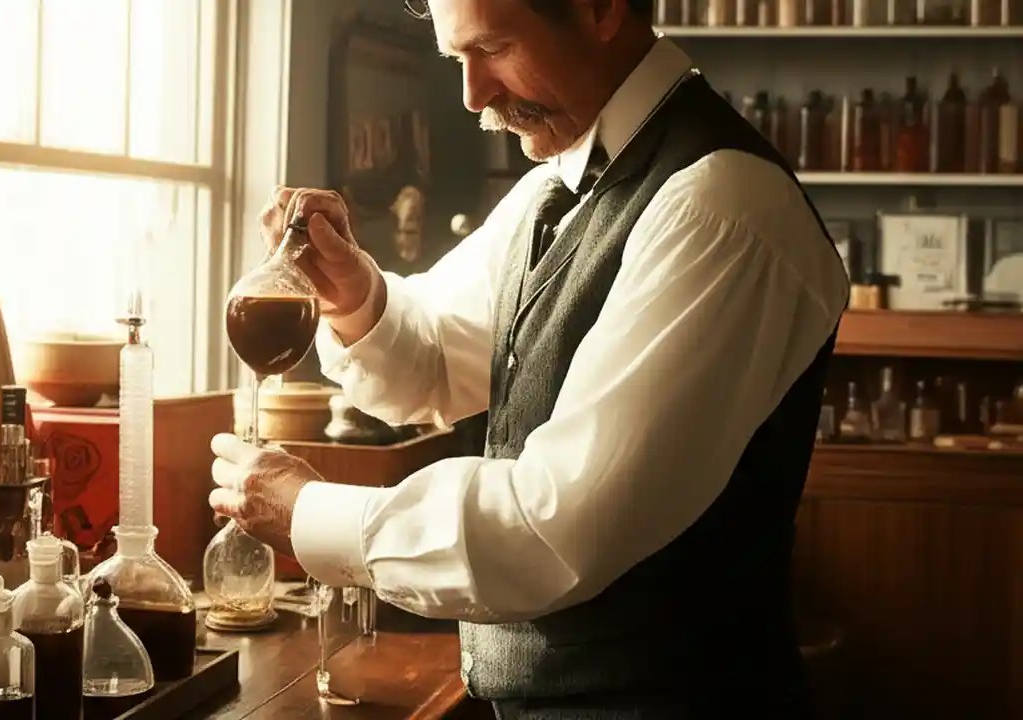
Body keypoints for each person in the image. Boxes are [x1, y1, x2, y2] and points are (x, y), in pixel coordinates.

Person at [208, 0, 849, 716]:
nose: (472, 95)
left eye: (495, 47)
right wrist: (356, 295)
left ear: (601, 9)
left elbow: (554, 527)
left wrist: (309, 512)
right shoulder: (555, 188)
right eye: (458, 59)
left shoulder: (718, 204)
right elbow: (434, 361)